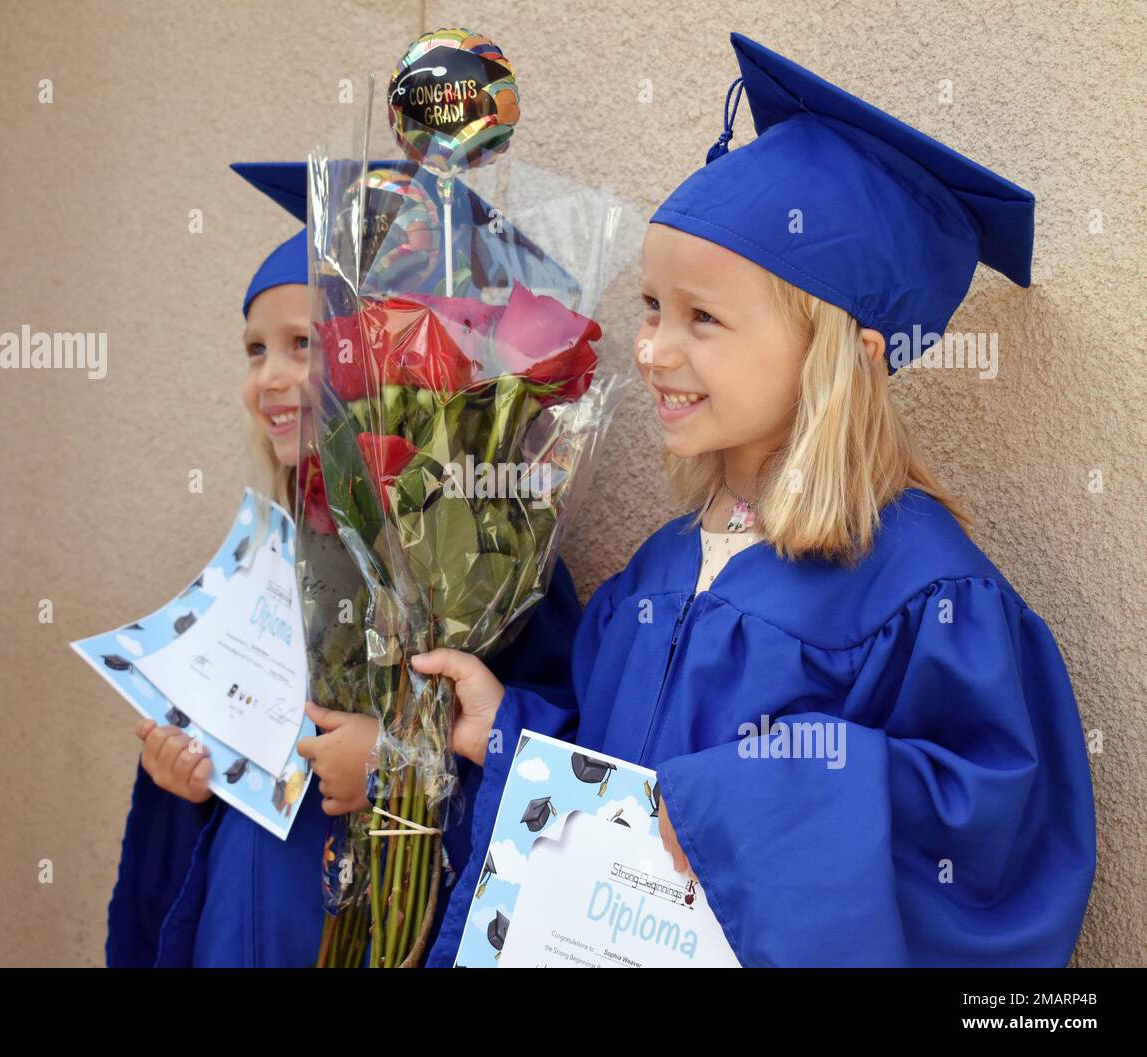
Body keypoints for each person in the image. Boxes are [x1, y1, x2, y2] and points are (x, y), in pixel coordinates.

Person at [418, 33, 1096, 968]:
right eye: (652, 306)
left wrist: (761, 801)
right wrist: (510, 732)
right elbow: (621, 788)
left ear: (840, 355)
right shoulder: (656, 570)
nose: (651, 351)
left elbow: (990, 844)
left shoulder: (924, 586)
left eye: (704, 318)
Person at [105, 162, 580, 967]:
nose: (270, 378)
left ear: (398, 369)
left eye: (305, 344)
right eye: (255, 349)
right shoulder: (276, 544)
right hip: (242, 915)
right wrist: (182, 776)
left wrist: (397, 772)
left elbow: (546, 767)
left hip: (384, 923)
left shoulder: (490, 557)